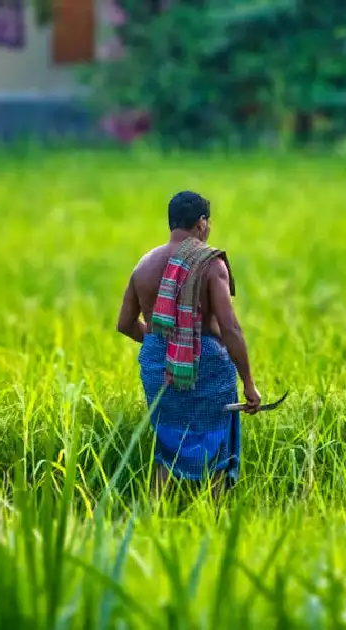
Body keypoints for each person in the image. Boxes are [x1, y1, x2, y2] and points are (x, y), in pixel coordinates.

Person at [116, 190, 260, 501]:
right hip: (206, 367)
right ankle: (217, 514)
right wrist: (249, 383)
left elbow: (125, 324)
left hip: (158, 367)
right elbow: (231, 328)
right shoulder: (210, 263)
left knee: (168, 442)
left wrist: (168, 346)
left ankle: (154, 514)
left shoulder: (144, 265)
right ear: (202, 223)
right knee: (217, 443)